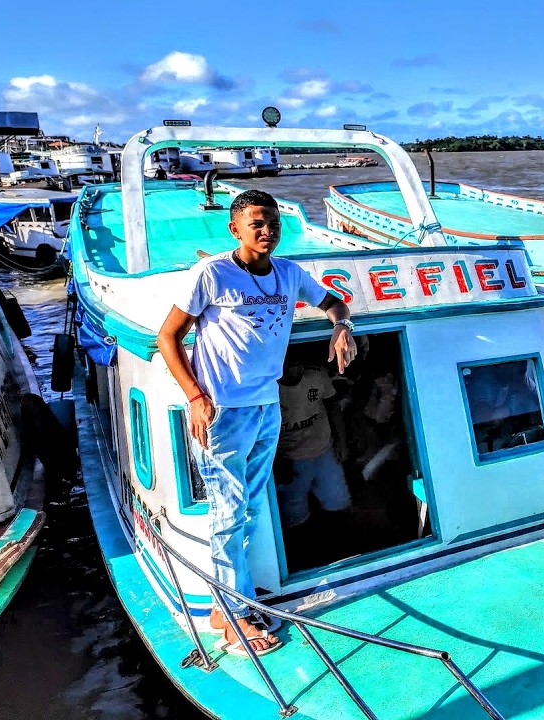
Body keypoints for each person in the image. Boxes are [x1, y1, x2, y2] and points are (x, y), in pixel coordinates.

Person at [156, 189, 357, 657]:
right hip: (224, 411)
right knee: (228, 512)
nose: (267, 232)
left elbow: (334, 304)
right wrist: (195, 396)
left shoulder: (288, 273)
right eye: (256, 225)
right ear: (235, 229)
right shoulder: (212, 274)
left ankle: (225, 602)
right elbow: (168, 336)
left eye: (273, 224)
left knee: (246, 508)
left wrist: (342, 327)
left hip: (268, 405)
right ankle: (231, 618)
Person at [275, 346, 350, 531]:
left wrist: (342, 442)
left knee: (338, 503)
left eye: (298, 365)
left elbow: (333, 406)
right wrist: (275, 462)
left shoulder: (316, 375)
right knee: (294, 517)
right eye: (288, 365)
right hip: (289, 460)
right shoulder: (268, 386)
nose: (294, 370)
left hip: (324, 450)